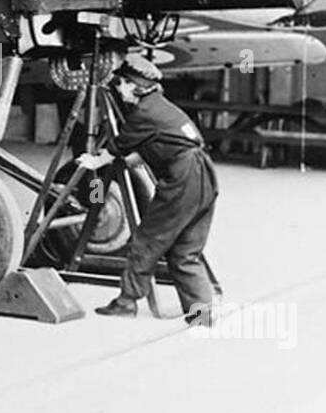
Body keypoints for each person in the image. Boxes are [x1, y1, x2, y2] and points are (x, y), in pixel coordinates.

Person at [76, 54, 219, 322]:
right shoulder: (161, 107)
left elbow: (118, 147)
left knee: (146, 240)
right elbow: (162, 142)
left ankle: (126, 302)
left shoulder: (143, 113)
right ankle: (202, 316)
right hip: (204, 175)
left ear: (133, 85)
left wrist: (94, 160)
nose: (118, 89)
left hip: (183, 179)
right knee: (185, 253)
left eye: (121, 84)